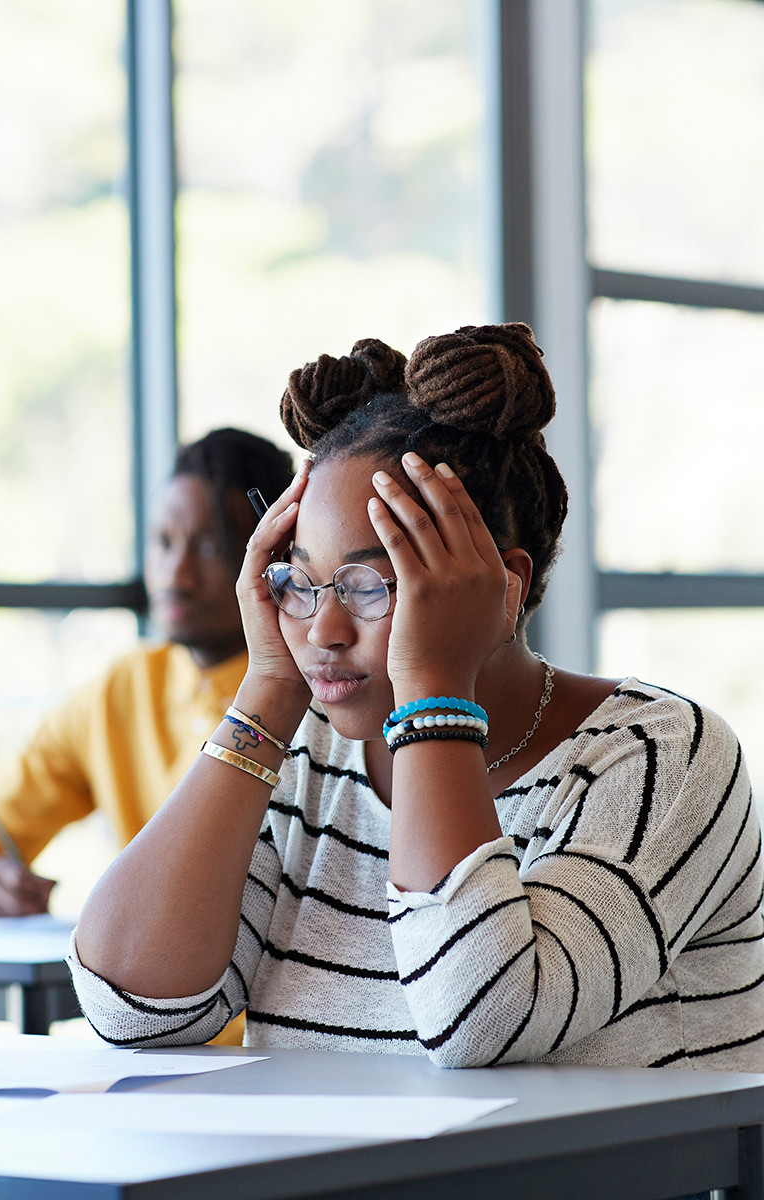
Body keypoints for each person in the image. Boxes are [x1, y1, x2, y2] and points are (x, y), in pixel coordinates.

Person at [69, 323, 764, 1072]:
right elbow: (130, 1007)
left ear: (503, 590)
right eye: (299, 583)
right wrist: (267, 692)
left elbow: (480, 1022)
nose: (323, 629)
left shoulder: (665, 755)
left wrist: (433, 689)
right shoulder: (305, 754)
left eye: (373, 583)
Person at [0, 428, 295, 919]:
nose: (174, 577)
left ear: (274, 554)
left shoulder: (317, 692)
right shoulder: (121, 690)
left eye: (209, 549)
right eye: (162, 542)